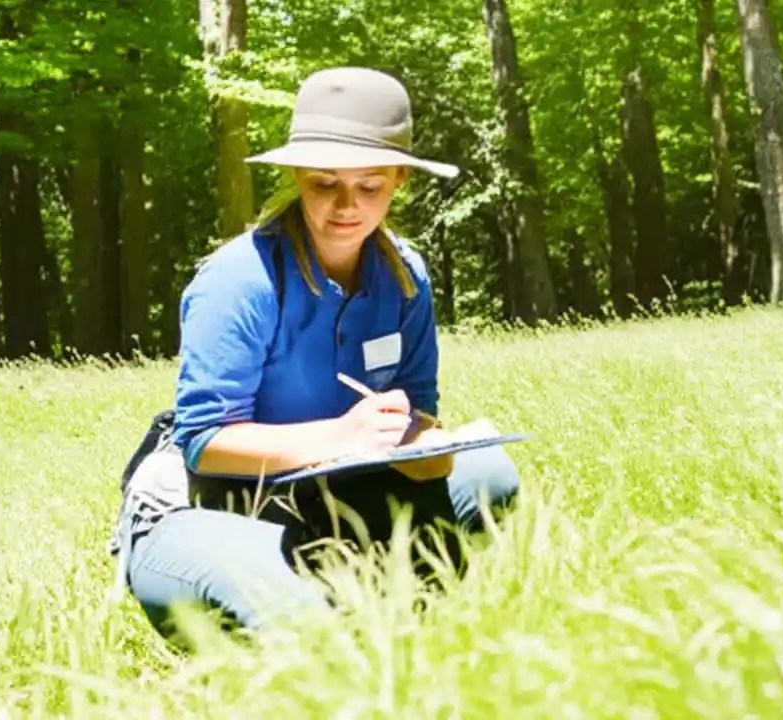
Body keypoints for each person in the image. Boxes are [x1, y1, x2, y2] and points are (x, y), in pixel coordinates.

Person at [109, 66, 521, 638]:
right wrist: (341, 436)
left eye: (370, 186)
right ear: (298, 175)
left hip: (335, 496)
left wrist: (425, 443)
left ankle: (398, 613)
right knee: (301, 621)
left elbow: (416, 408)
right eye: (326, 184)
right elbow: (204, 444)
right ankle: (306, 617)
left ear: (399, 178)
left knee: (490, 473)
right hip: (210, 507)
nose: (347, 206)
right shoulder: (240, 279)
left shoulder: (405, 279)